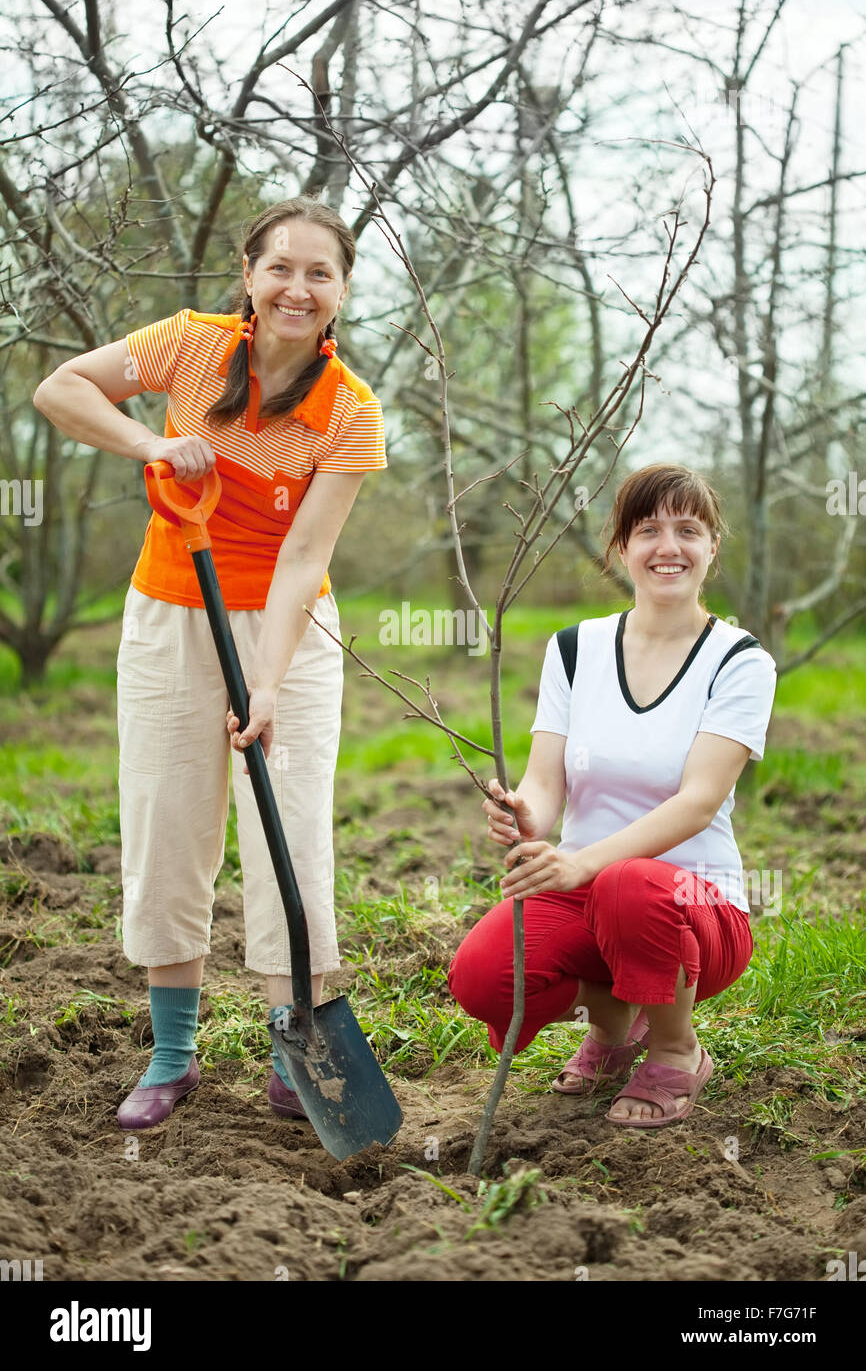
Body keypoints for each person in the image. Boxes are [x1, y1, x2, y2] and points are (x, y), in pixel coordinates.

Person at [32, 196, 386, 1128]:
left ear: (342, 291)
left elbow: (304, 561)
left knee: (291, 835)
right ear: (249, 273)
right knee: (167, 817)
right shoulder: (189, 345)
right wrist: (151, 441)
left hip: (289, 630)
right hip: (169, 614)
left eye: (320, 274)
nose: (297, 288)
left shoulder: (349, 411)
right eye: (281, 267)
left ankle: (293, 1042)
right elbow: (61, 387)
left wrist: (267, 684)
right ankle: (174, 1054)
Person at [448, 463, 777, 1127]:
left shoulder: (740, 661)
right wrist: (524, 814)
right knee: (484, 978)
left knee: (629, 885)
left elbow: (699, 802)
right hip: (588, 888)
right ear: (621, 547)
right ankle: (614, 1026)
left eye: (689, 529)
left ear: (713, 546)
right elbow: (546, 782)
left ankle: (677, 1048)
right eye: (648, 529)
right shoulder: (575, 649)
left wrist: (585, 862)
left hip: (694, 905)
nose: (669, 547)